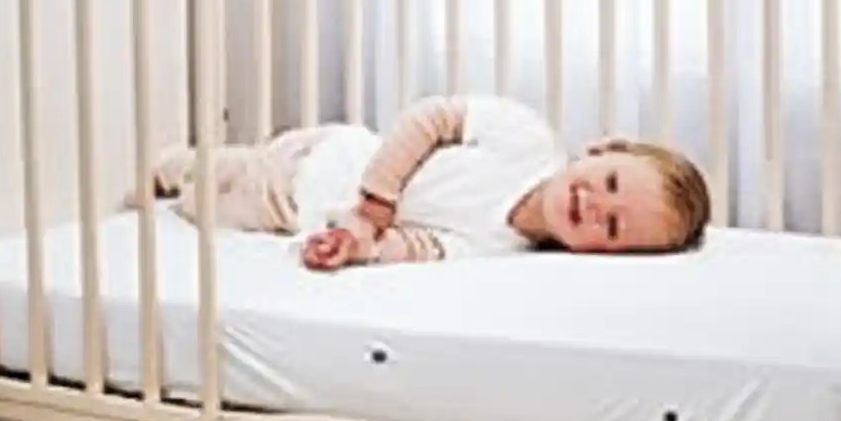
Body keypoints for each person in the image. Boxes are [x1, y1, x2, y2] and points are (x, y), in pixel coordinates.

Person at [149, 95, 711, 271]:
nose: (593, 205)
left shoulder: (500, 249)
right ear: (603, 149)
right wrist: (374, 204)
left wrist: (357, 248)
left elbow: (418, 245)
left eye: (612, 226)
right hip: (329, 157)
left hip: (297, 211)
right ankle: (182, 166)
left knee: (214, 210)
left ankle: (193, 171)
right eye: (609, 180)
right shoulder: (526, 140)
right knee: (218, 181)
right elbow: (431, 119)